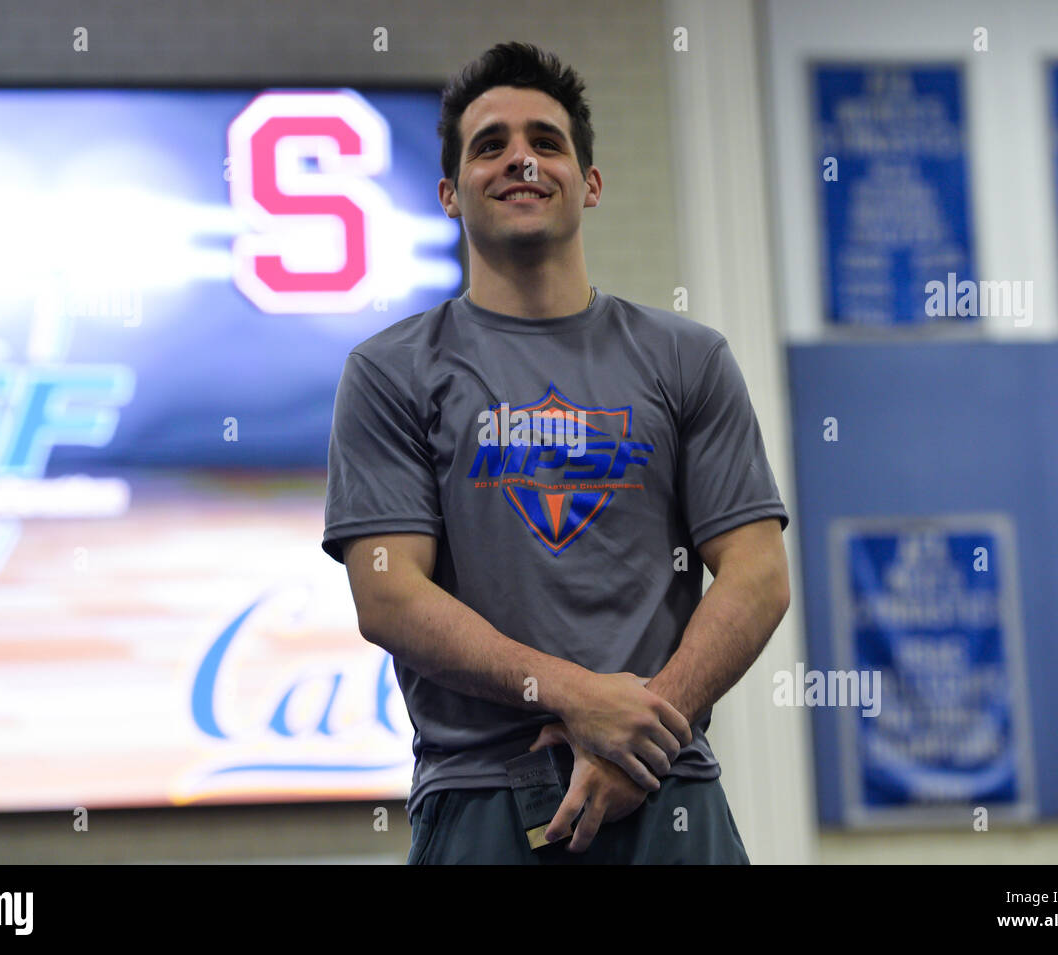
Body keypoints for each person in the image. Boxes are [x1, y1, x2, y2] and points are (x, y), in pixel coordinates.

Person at [321, 41, 790, 864]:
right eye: (489, 145)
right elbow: (388, 596)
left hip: (665, 784)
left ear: (591, 182)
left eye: (546, 141)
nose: (520, 161)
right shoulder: (390, 371)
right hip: (481, 794)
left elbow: (757, 575)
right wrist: (574, 695)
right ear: (448, 194)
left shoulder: (689, 358)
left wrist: (633, 735)